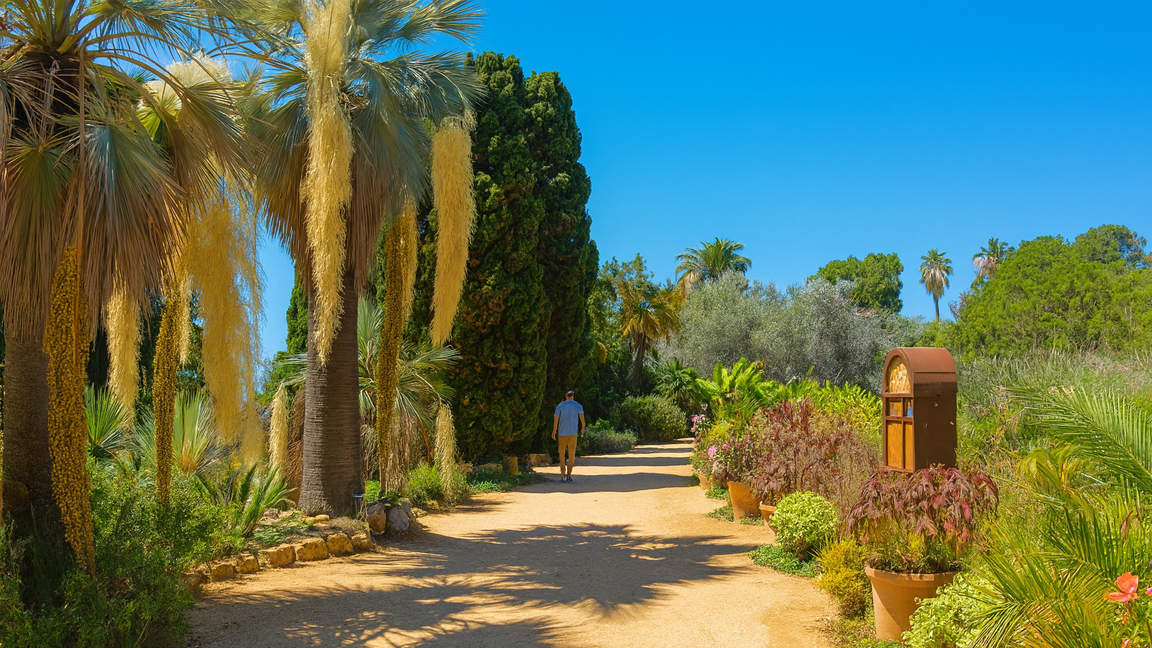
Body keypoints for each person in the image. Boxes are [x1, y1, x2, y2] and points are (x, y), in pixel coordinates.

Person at [552, 390, 585, 482]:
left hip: (562, 433)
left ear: (566, 396)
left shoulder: (560, 405)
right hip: (573, 433)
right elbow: (583, 421)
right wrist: (582, 430)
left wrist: (554, 430)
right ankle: (569, 475)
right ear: (573, 396)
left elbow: (556, 419)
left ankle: (563, 475)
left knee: (561, 454)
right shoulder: (578, 406)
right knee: (571, 455)